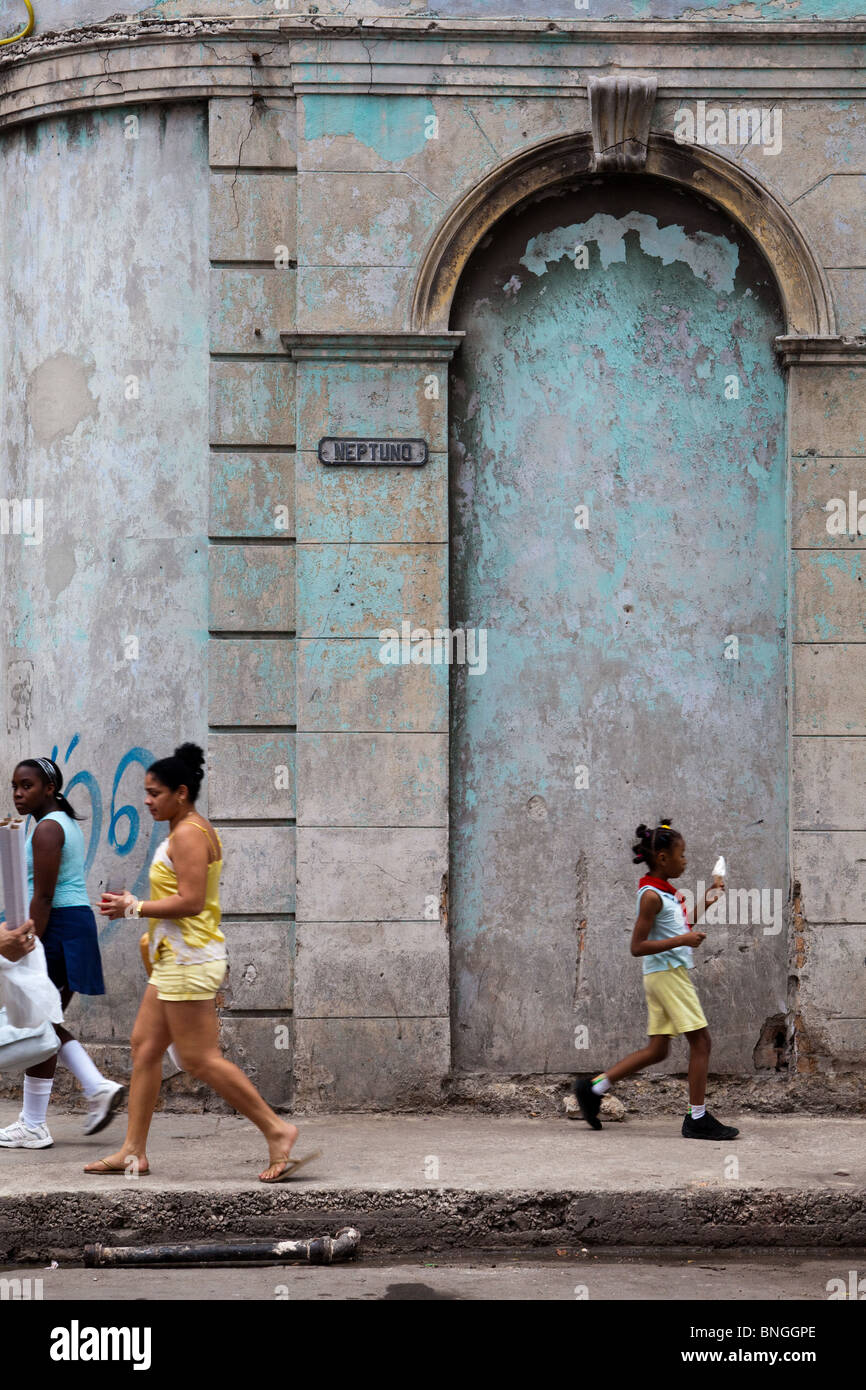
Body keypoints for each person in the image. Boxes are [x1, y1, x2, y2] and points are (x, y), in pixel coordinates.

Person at [90, 742, 317, 1182]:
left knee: (198, 1059)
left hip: (190, 961)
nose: (146, 800)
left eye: (154, 793)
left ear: (180, 792)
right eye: (146, 792)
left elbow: (192, 902)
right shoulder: (182, 829)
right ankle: (133, 1152)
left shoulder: (190, 833)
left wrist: (135, 907)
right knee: (145, 1046)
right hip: (174, 959)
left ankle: (277, 1129)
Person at [574, 819, 739, 1141]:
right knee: (701, 1042)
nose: (685, 860)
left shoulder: (665, 894)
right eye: (682, 855)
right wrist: (683, 942)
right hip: (668, 976)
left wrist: (707, 900)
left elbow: (680, 926)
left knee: (658, 1050)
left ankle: (594, 1088)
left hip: (661, 976)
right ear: (663, 858)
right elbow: (637, 947)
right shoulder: (651, 896)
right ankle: (697, 1118)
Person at [0, 758, 125, 1150]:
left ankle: (77, 1099)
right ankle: (79, 1097)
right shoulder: (51, 823)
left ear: (49, 789)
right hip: (65, 926)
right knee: (44, 1021)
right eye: (15, 786)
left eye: (27, 786)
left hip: (58, 927)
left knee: (41, 1020)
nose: (19, 793)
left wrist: (25, 943)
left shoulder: (48, 829)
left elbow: (44, 895)